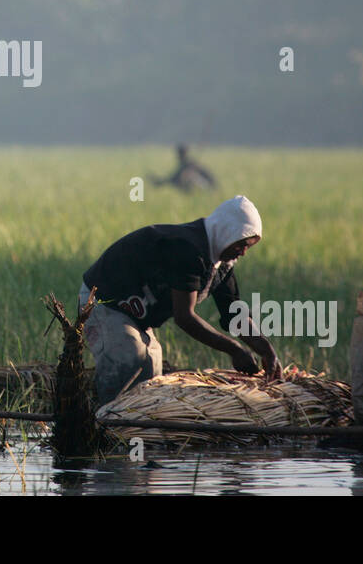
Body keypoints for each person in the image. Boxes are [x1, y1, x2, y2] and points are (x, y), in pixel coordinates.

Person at [78, 195, 279, 406]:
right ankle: (106, 426)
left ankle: (135, 433)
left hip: (134, 314)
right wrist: (235, 350)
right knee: (129, 361)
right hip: (103, 301)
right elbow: (185, 317)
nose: (244, 252)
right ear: (228, 231)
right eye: (242, 244)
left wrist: (266, 350)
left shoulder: (222, 262)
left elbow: (234, 315)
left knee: (150, 371)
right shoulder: (188, 249)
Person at [152, 143, 217, 191]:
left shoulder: (190, 165)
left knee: (186, 176)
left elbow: (172, 179)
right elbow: (172, 178)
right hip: (206, 189)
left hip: (205, 190)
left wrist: (159, 182)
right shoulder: (189, 164)